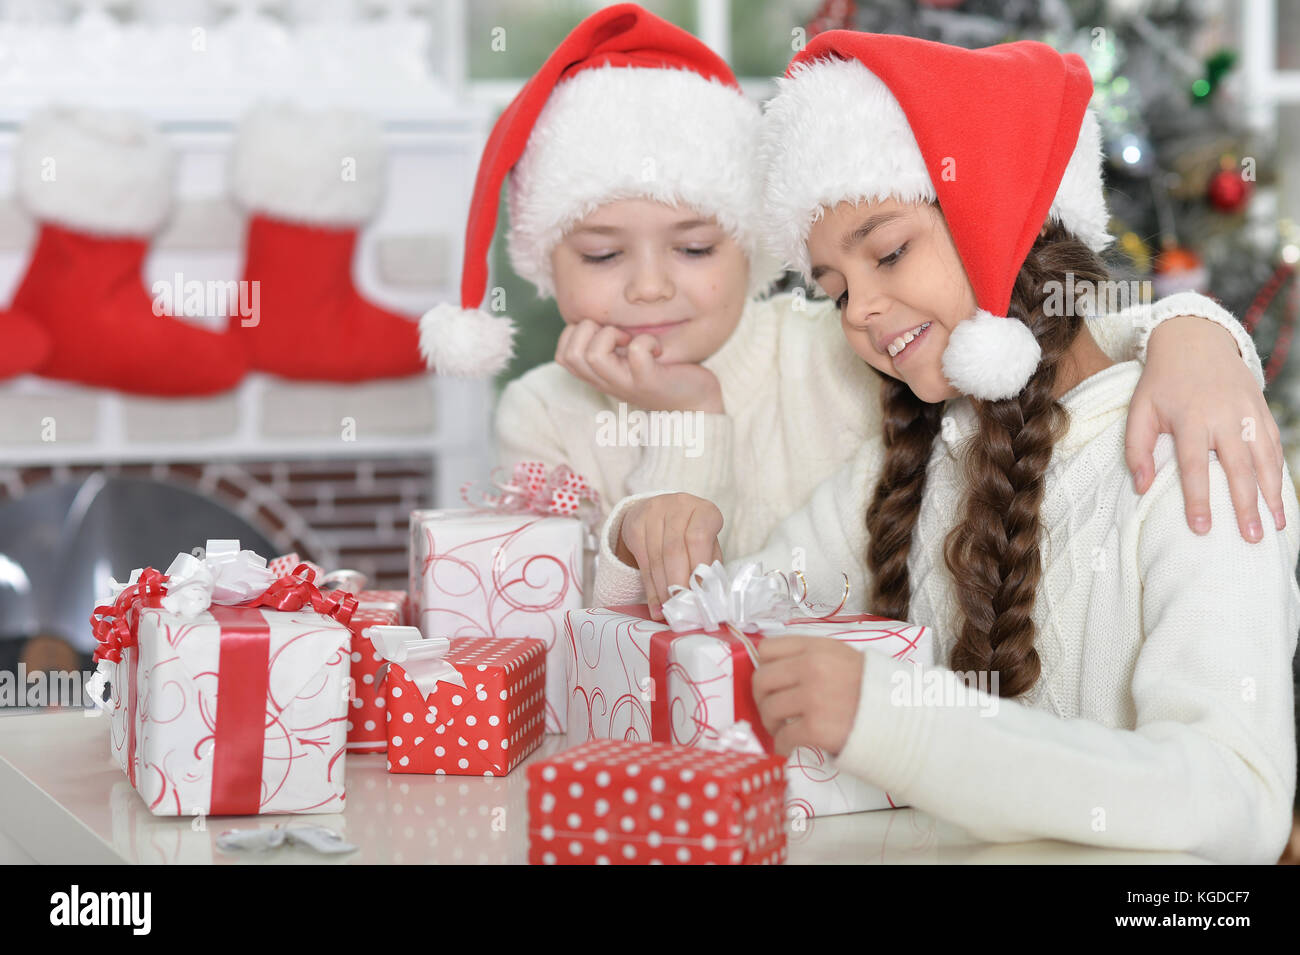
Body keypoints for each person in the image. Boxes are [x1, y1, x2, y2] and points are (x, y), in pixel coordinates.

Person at [595, 31, 1299, 864]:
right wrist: (654, 523)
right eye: (837, 289)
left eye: (889, 251)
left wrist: (903, 723)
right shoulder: (914, 463)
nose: (858, 310)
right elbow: (727, 615)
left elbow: (1236, 797)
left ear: (1003, 211)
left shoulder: (1195, 446)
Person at [420, 3, 1281, 563]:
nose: (649, 289)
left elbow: (1043, 326)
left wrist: (1192, 330)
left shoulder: (837, 343)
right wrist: (690, 425)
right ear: (541, 261)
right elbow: (561, 644)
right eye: (603, 257)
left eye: (692, 248)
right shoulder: (538, 413)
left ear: (752, 245)